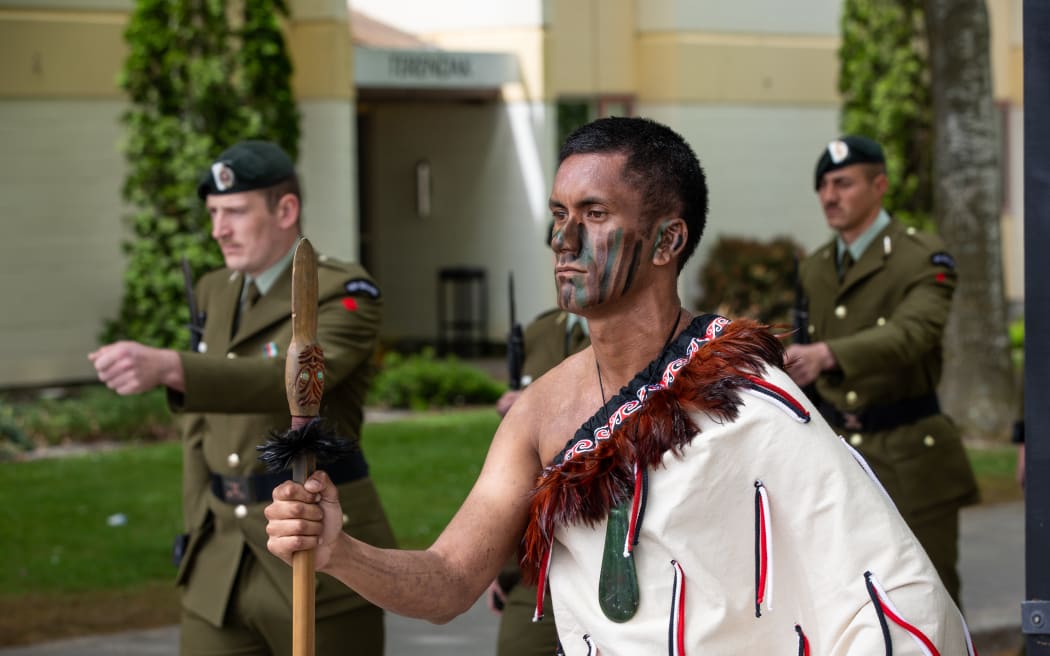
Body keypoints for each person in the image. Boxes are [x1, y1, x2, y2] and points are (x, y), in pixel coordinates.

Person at [266, 118, 975, 654]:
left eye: (595, 214)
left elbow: (874, 577)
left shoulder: (745, 391)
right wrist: (340, 552)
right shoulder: (538, 412)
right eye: (558, 215)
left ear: (668, 241)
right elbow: (449, 580)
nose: (563, 241)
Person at [89, 140, 396, 655]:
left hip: (315, 550)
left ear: (285, 211)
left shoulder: (340, 291)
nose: (218, 230)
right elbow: (200, 427)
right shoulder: (216, 290)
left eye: (233, 211)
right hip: (220, 561)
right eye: (213, 213)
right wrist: (196, 526)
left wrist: (171, 367)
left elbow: (295, 377)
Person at [784, 135, 980, 607]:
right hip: (838, 461)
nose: (829, 196)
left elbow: (915, 333)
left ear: (879, 186)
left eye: (843, 184)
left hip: (909, 458)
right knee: (847, 604)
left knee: (928, 603)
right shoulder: (815, 268)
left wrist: (826, 354)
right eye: (823, 186)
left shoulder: (921, 256)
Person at [491, 305, 590, 655]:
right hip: (538, 561)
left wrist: (540, 410)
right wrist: (499, 559)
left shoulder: (659, 333)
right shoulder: (540, 331)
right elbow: (512, 465)